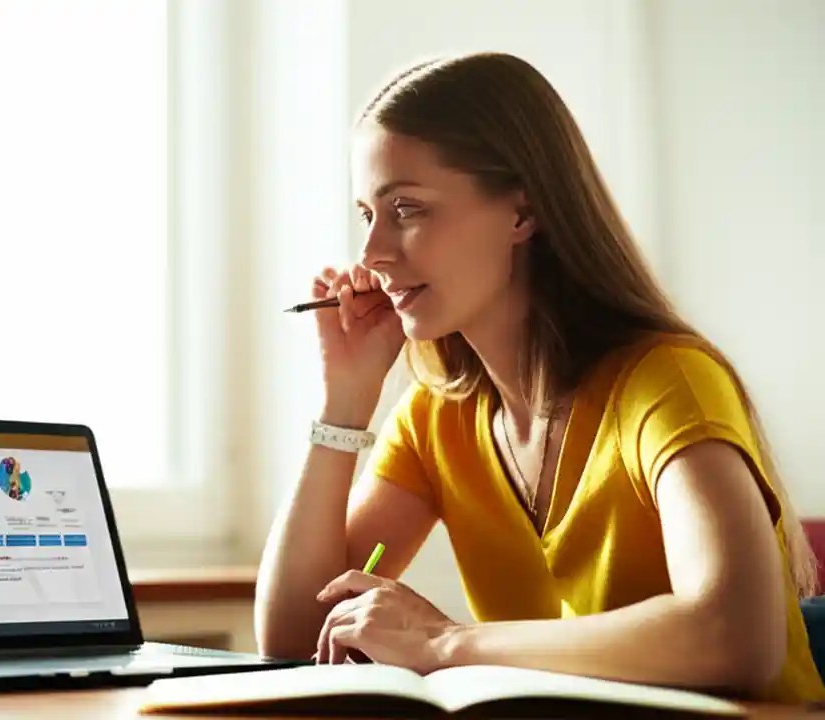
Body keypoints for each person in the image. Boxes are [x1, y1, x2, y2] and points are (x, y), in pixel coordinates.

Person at [254, 52, 825, 703]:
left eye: (407, 209)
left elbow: (734, 638)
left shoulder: (668, 385)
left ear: (522, 214)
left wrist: (445, 643)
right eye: (367, 215)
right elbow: (294, 640)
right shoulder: (436, 418)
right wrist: (345, 403)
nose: (372, 253)